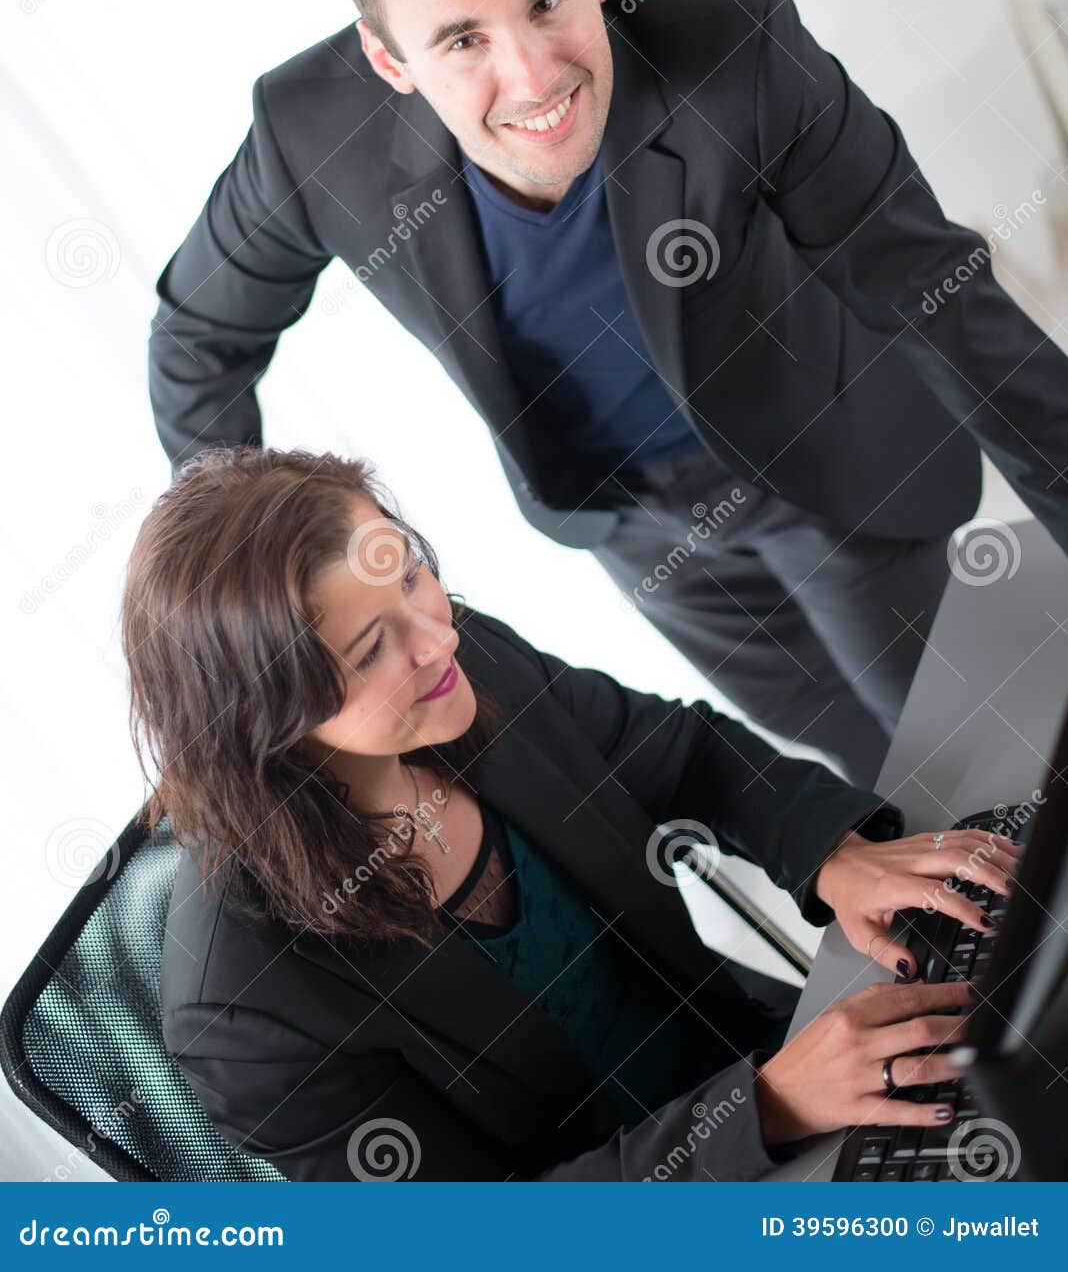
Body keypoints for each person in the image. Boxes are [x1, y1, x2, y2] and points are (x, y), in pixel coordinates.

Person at [146, 0, 1068, 788]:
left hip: (818, 455)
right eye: (463, 40)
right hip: (630, 524)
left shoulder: (738, 47)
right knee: (866, 766)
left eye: (548, 0)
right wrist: (256, 589)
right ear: (390, 61)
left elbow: (935, 294)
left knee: (988, 751)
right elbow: (199, 335)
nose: (534, 77)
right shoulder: (309, 134)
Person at [127, 446, 1019, 1181]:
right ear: (268, 720)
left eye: (410, 574)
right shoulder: (243, 1012)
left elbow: (682, 754)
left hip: (780, 1067)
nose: (439, 636)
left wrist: (832, 853)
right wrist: (767, 1108)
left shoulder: (460, 668)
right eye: (370, 651)